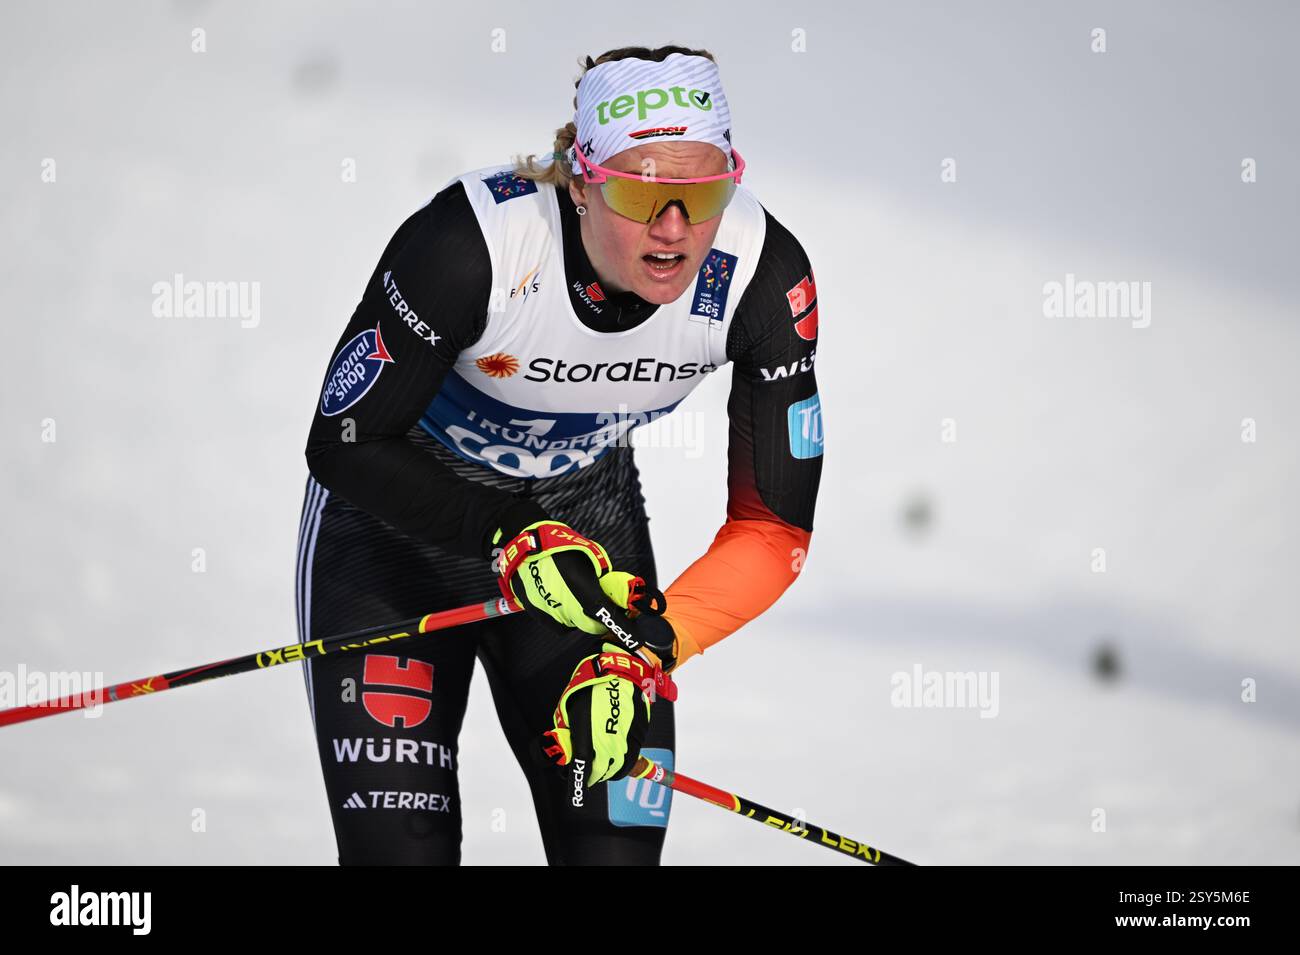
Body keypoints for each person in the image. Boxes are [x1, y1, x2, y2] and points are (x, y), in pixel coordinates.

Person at [296, 44, 823, 865]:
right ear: (580, 179)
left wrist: (649, 647)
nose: (674, 226)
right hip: (397, 534)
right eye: (641, 189)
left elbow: (773, 533)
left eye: (704, 189)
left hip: (582, 529)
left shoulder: (759, 273)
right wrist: (507, 530)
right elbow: (346, 439)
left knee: (609, 848)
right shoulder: (478, 244)